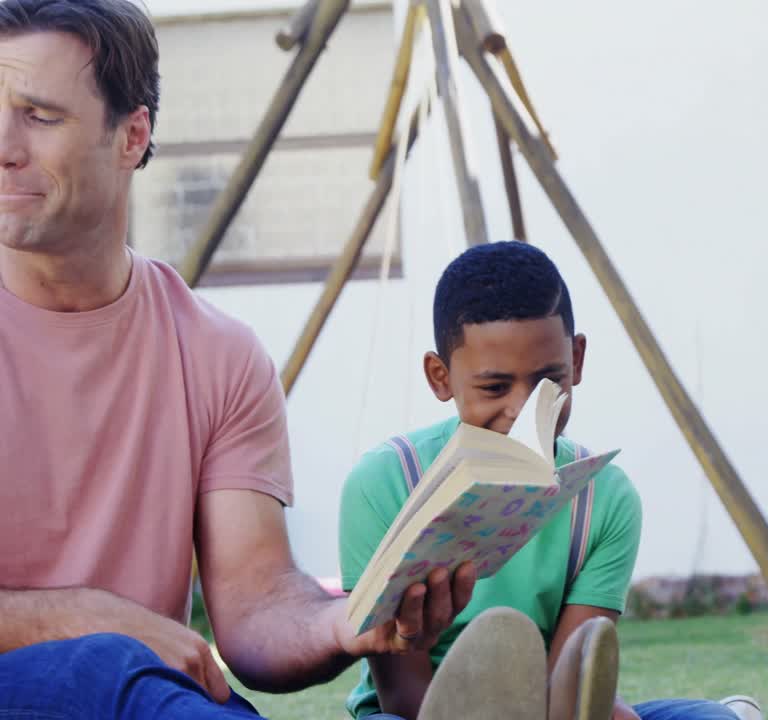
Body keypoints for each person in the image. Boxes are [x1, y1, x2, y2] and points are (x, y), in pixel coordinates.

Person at [0, 2, 473, 717]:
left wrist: (342, 624)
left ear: (133, 135)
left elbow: (254, 608)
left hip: (137, 697)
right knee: (113, 664)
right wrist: (89, 617)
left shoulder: (216, 353)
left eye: (39, 115)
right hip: (100, 685)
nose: (3, 143)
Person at [339, 241, 760, 720]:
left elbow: (572, 686)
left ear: (576, 361)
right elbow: (403, 694)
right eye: (494, 387)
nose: (522, 410)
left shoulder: (604, 497)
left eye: (549, 381)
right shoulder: (384, 484)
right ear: (440, 377)